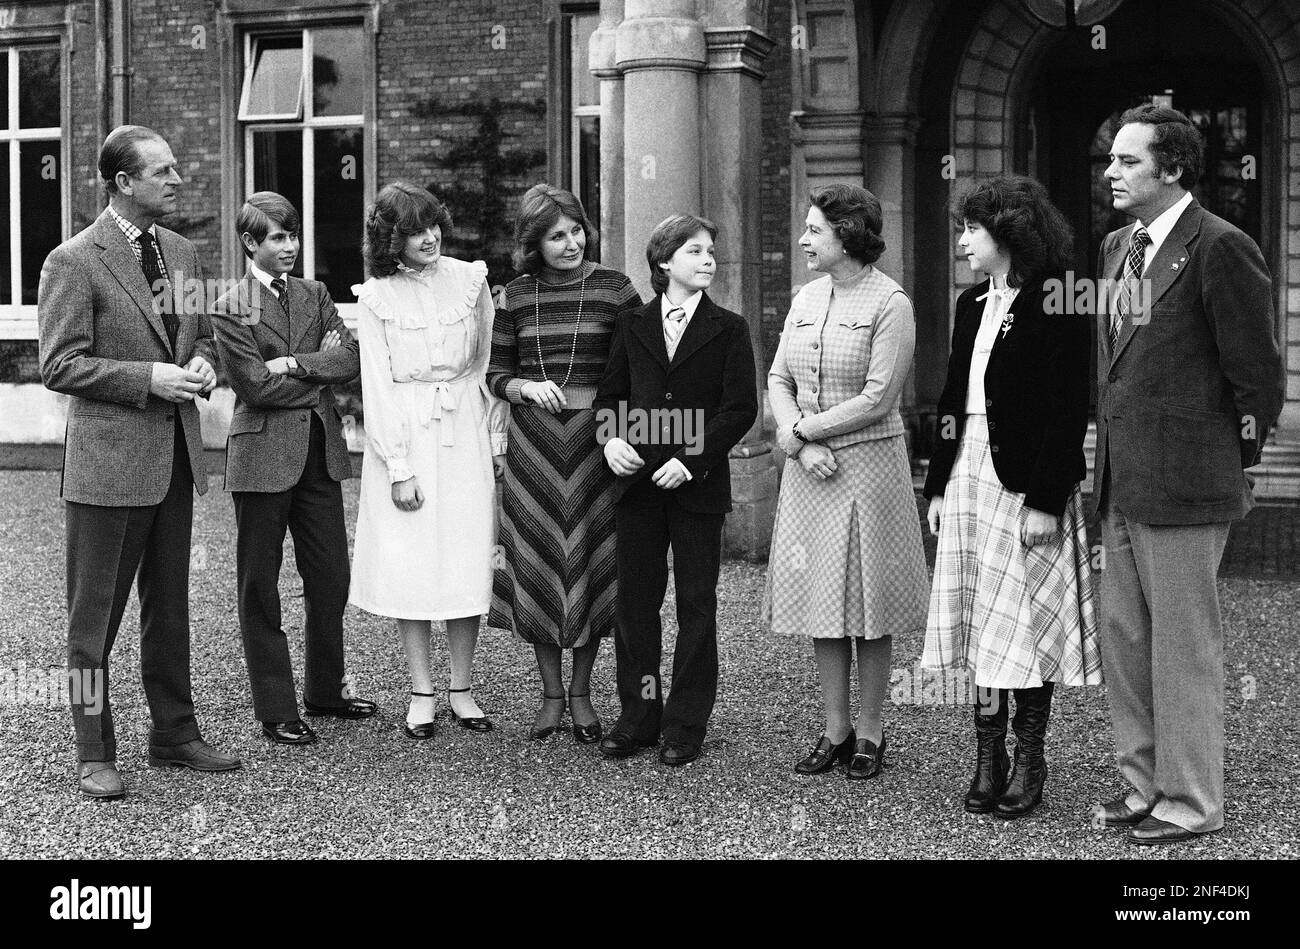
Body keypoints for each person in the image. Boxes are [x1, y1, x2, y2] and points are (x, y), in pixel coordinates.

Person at [1089, 105, 1283, 844]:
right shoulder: (1116, 246)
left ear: (1173, 170)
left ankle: (1192, 800)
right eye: (1112, 158)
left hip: (1189, 484)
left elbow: (1258, 376)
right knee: (1127, 643)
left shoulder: (1221, 246)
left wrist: (1233, 458)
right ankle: (1143, 786)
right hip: (1121, 481)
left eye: (1129, 160)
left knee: (1183, 648)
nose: (1110, 170)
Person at [37, 125, 241, 799]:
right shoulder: (74, 260)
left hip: (175, 459)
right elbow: (60, 364)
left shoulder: (180, 251)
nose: (177, 179)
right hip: (107, 467)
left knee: (171, 608)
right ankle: (93, 750)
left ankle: (174, 733)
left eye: (175, 168)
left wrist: (203, 360)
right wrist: (149, 378)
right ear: (124, 183)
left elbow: (198, 330)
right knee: (92, 620)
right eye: (163, 171)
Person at [921, 175, 1101, 817]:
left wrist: (1048, 499)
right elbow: (950, 402)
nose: (964, 240)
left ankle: (1030, 759)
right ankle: (987, 755)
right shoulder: (972, 304)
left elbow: (1067, 405)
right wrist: (937, 484)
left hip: (1027, 483)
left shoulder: (1059, 298)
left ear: (1010, 234)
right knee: (982, 622)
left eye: (973, 229)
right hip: (967, 475)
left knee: (1022, 624)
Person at [765, 184, 929, 781]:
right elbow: (778, 378)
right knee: (821, 604)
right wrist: (799, 443)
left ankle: (871, 732)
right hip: (812, 472)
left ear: (849, 236)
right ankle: (834, 729)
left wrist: (803, 432)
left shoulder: (892, 303)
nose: (805, 240)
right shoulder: (806, 296)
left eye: (815, 231)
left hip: (868, 470)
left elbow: (880, 395)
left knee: (868, 606)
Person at [211, 191, 376, 746]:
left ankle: (325, 691)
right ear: (250, 243)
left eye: (293, 235)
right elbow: (253, 386)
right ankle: (276, 707)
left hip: (318, 455)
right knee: (260, 584)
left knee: (331, 577)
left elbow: (350, 361)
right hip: (260, 459)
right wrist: (315, 373)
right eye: (277, 238)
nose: (289, 247)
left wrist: (293, 362)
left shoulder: (316, 292)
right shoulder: (229, 304)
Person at [594, 213, 758, 766]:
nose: (708, 258)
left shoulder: (729, 328)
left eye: (711, 250)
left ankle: (685, 725)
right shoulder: (632, 324)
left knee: (695, 605)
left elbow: (739, 410)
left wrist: (690, 461)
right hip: (636, 487)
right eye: (695, 250)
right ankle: (639, 716)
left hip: (696, 490)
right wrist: (611, 440)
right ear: (664, 262)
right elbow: (610, 398)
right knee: (636, 606)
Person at [348, 181, 507, 740]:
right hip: (407, 431)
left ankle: (462, 687)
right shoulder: (377, 297)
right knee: (412, 560)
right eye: (416, 231)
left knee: (467, 556)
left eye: (434, 225)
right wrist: (398, 466)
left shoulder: (472, 281)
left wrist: (493, 436)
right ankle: (422, 690)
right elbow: (377, 384)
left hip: (462, 426)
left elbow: (488, 363)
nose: (430, 237)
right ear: (391, 239)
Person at [486, 184, 641, 743]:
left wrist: (622, 432)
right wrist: (525, 386)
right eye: (557, 236)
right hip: (533, 450)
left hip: (598, 444)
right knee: (541, 562)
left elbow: (638, 368)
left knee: (596, 563)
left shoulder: (615, 288)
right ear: (534, 242)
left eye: (576, 230)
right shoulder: (516, 295)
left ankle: (582, 694)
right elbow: (494, 374)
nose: (571, 242)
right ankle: (551, 694)